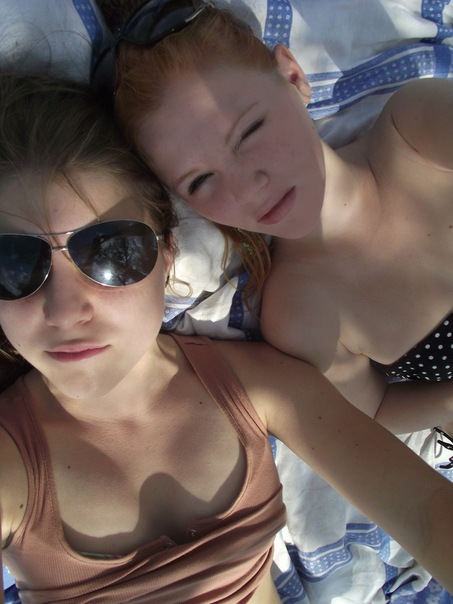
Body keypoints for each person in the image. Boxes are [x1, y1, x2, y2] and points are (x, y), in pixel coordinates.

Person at [0, 74, 452, 604]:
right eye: (15, 264)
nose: (65, 311)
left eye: (112, 252)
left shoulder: (264, 386)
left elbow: (427, 513)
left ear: (168, 252)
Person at [103, 0, 453, 437]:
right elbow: (376, 410)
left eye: (250, 131)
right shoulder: (298, 313)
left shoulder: (416, 134)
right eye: (200, 180)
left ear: (293, 77)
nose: (248, 187)